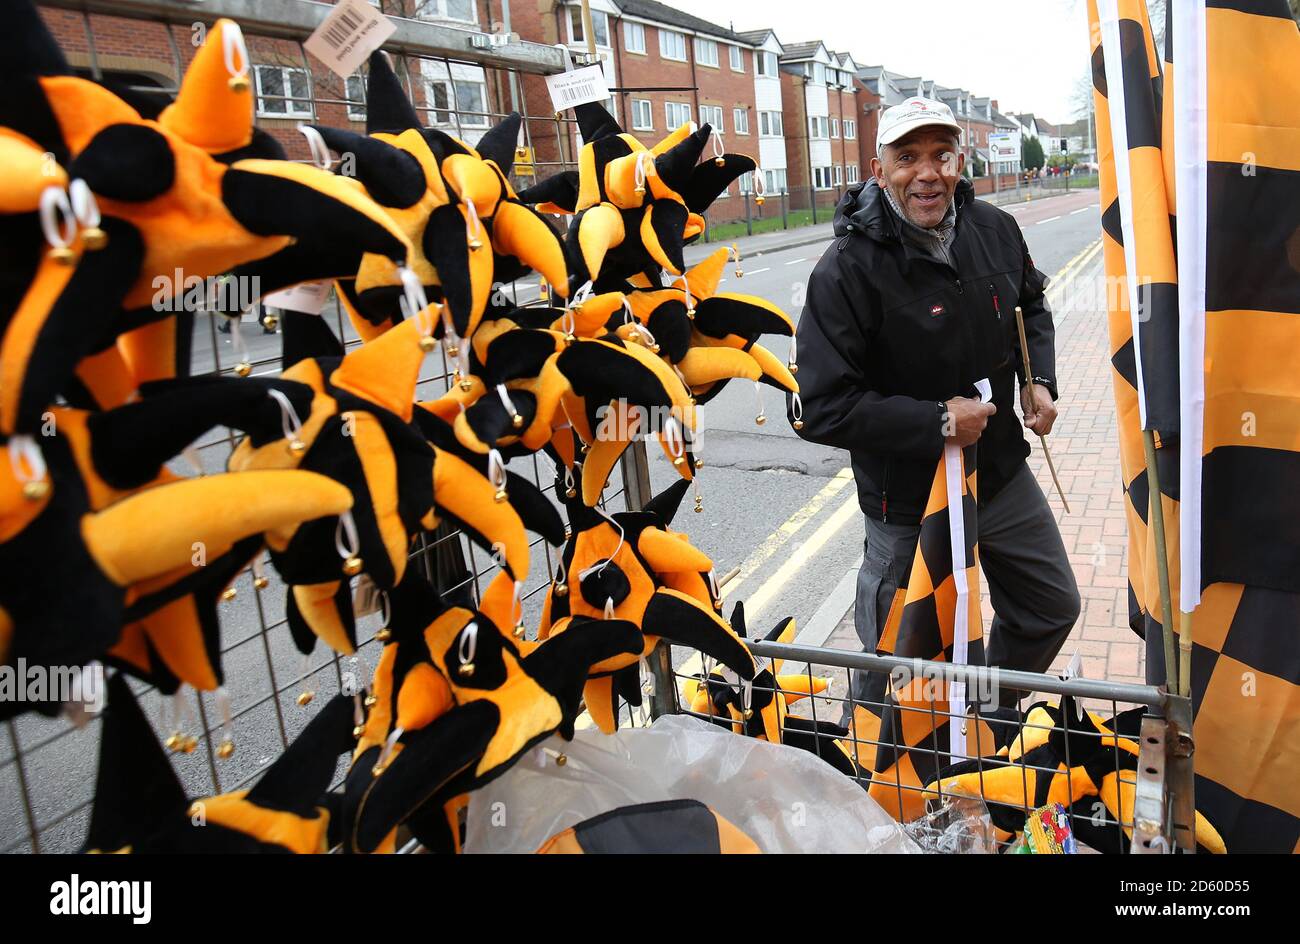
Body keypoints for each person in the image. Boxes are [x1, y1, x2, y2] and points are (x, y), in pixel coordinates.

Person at [791, 97, 1080, 713]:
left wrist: (1039, 379)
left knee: (1051, 605)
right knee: (902, 659)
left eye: (941, 155)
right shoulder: (844, 270)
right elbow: (821, 406)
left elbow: (1031, 306)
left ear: (958, 161)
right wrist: (938, 420)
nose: (928, 172)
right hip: (908, 501)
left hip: (999, 473)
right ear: (879, 169)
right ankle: (875, 763)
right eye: (907, 157)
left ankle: (982, 718)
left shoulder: (996, 229)